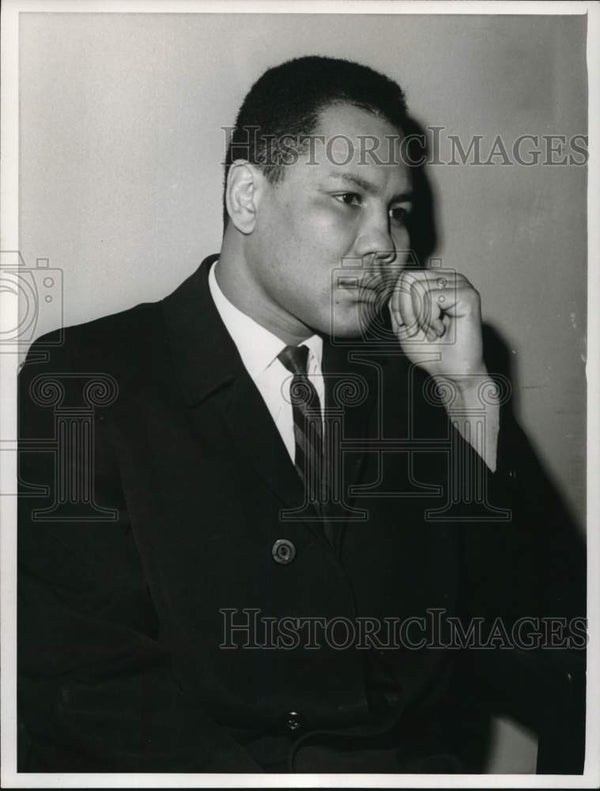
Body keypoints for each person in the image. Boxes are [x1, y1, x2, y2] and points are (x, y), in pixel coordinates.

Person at [18, 56, 585, 774]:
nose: (386, 246)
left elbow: (545, 640)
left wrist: (468, 396)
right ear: (247, 196)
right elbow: (86, 687)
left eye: (397, 212)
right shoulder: (87, 379)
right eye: (349, 198)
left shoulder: (413, 384)